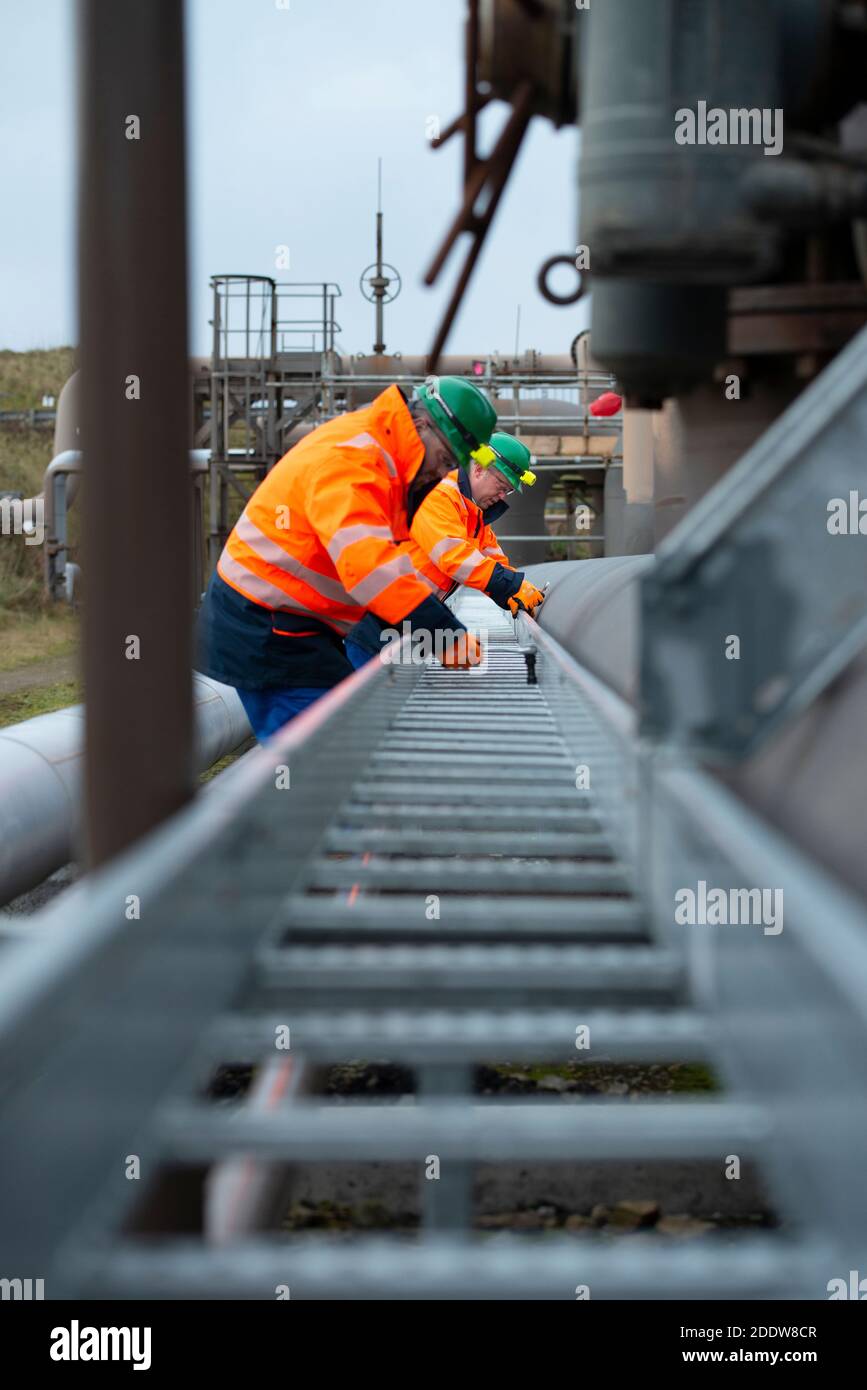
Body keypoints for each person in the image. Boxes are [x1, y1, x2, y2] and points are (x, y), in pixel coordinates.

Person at [195, 376, 496, 740]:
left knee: (343, 738)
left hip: (293, 622)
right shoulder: (357, 458)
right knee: (323, 752)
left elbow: (388, 554)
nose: (440, 472)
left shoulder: (384, 453)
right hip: (266, 624)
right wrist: (443, 633)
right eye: (444, 458)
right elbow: (369, 563)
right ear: (421, 426)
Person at [344, 432, 546, 667]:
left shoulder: (474, 516)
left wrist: (516, 593)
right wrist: (510, 585)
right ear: (479, 469)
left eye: (508, 491)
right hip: (376, 621)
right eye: (501, 486)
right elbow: (453, 555)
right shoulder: (439, 493)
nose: (502, 496)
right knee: (363, 697)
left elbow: (491, 557)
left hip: (408, 619)